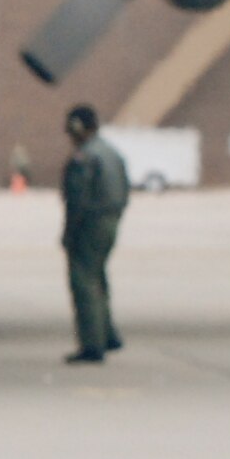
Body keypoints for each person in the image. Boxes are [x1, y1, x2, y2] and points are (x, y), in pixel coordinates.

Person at [60, 103, 131, 363]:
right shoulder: (112, 153)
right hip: (110, 220)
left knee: (83, 282)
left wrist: (69, 232)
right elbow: (125, 190)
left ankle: (92, 344)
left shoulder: (85, 157)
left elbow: (77, 199)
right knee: (98, 277)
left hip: (90, 223)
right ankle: (107, 333)